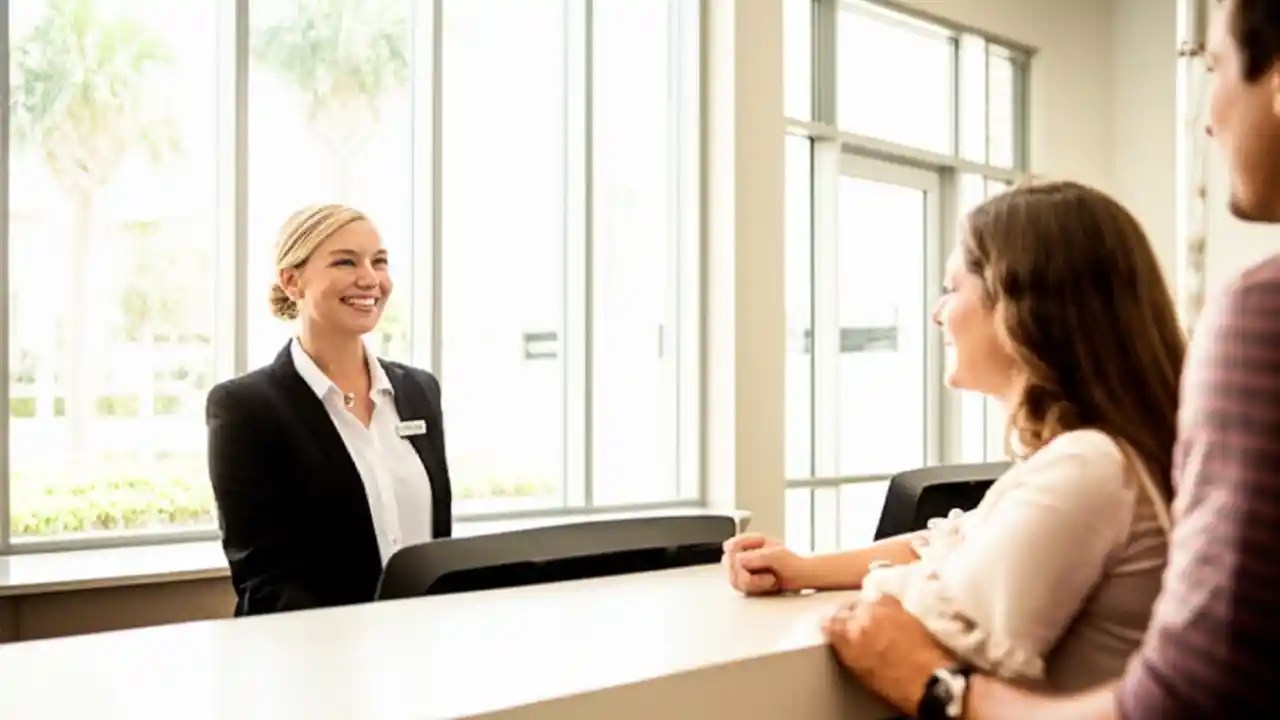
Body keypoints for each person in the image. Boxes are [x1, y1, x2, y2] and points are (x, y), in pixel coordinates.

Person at [821, 1, 1280, 717]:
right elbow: (954, 541)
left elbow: (1189, 698)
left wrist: (939, 687)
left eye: (1216, 67)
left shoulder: (1253, 325)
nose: (1209, 119)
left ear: (1020, 305)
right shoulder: (1090, 457)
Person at [725, 180, 1184, 693]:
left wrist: (881, 583)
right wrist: (803, 569)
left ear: (1018, 304)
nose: (937, 312)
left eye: (952, 288)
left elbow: (938, 627)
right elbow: (949, 543)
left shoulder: (1087, 467)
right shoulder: (1104, 456)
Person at [207, 204, 452, 616]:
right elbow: (264, 582)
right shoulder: (245, 408)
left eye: (379, 261)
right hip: (311, 658)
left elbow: (435, 549)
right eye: (345, 261)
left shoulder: (419, 391)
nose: (369, 278)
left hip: (419, 651)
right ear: (291, 281)